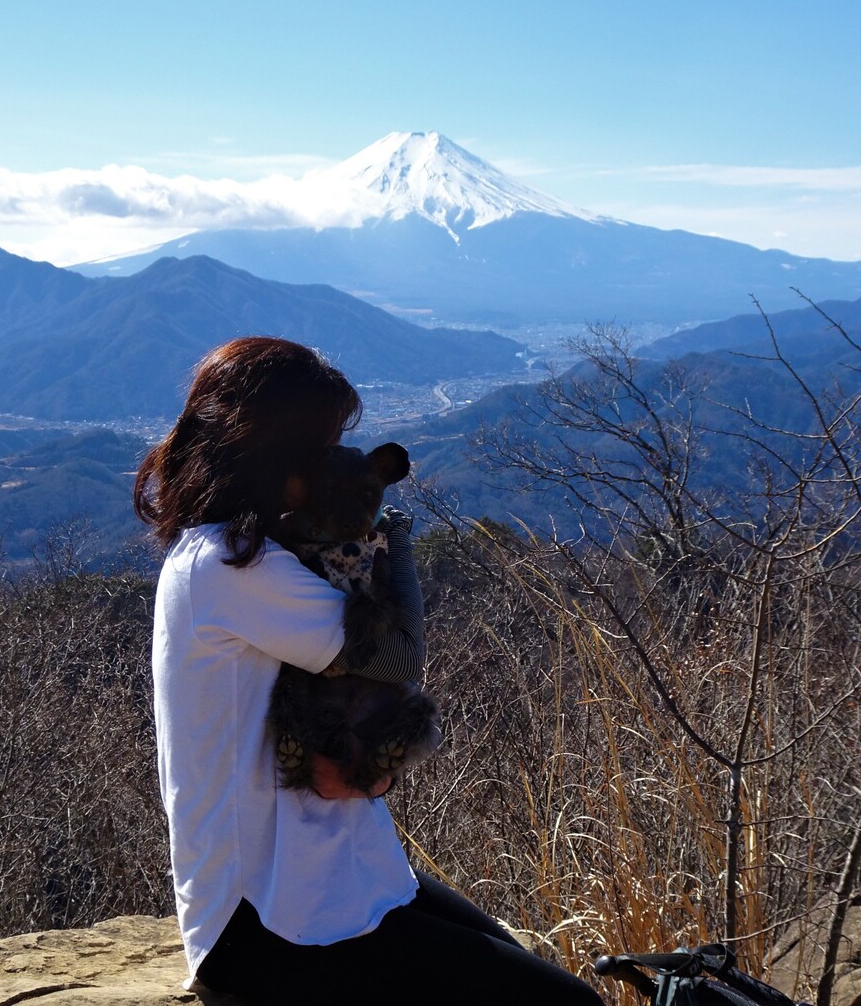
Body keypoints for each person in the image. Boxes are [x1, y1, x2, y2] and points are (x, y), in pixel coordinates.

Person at [134, 337, 602, 1006]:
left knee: (531, 977)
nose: (333, 460)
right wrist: (398, 534)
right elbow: (399, 657)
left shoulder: (252, 552)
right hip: (267, 924)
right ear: (276, 454)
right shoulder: (231, 566)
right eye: (320, 445)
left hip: (336, 875)